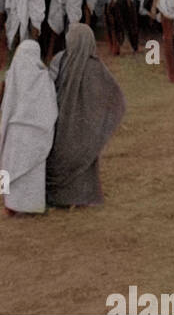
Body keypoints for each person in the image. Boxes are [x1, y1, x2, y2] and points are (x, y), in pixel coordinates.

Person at [45, 23, 126, 208]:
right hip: (85, 128)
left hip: (60, 124)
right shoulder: (96, 67)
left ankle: (60, 198)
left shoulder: (60, 59)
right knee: (85, 158)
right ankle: (81, 198)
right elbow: (115, 97)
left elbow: (48, 86)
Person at [0, 39, 57, 215]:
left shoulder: (11, 76)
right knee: (33, 170)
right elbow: (51, 106)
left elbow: (0, 103)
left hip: (15, 131)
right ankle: (32, 205)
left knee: (13, 166)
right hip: (36, 132)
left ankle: (11, 206)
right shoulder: (44, 78)